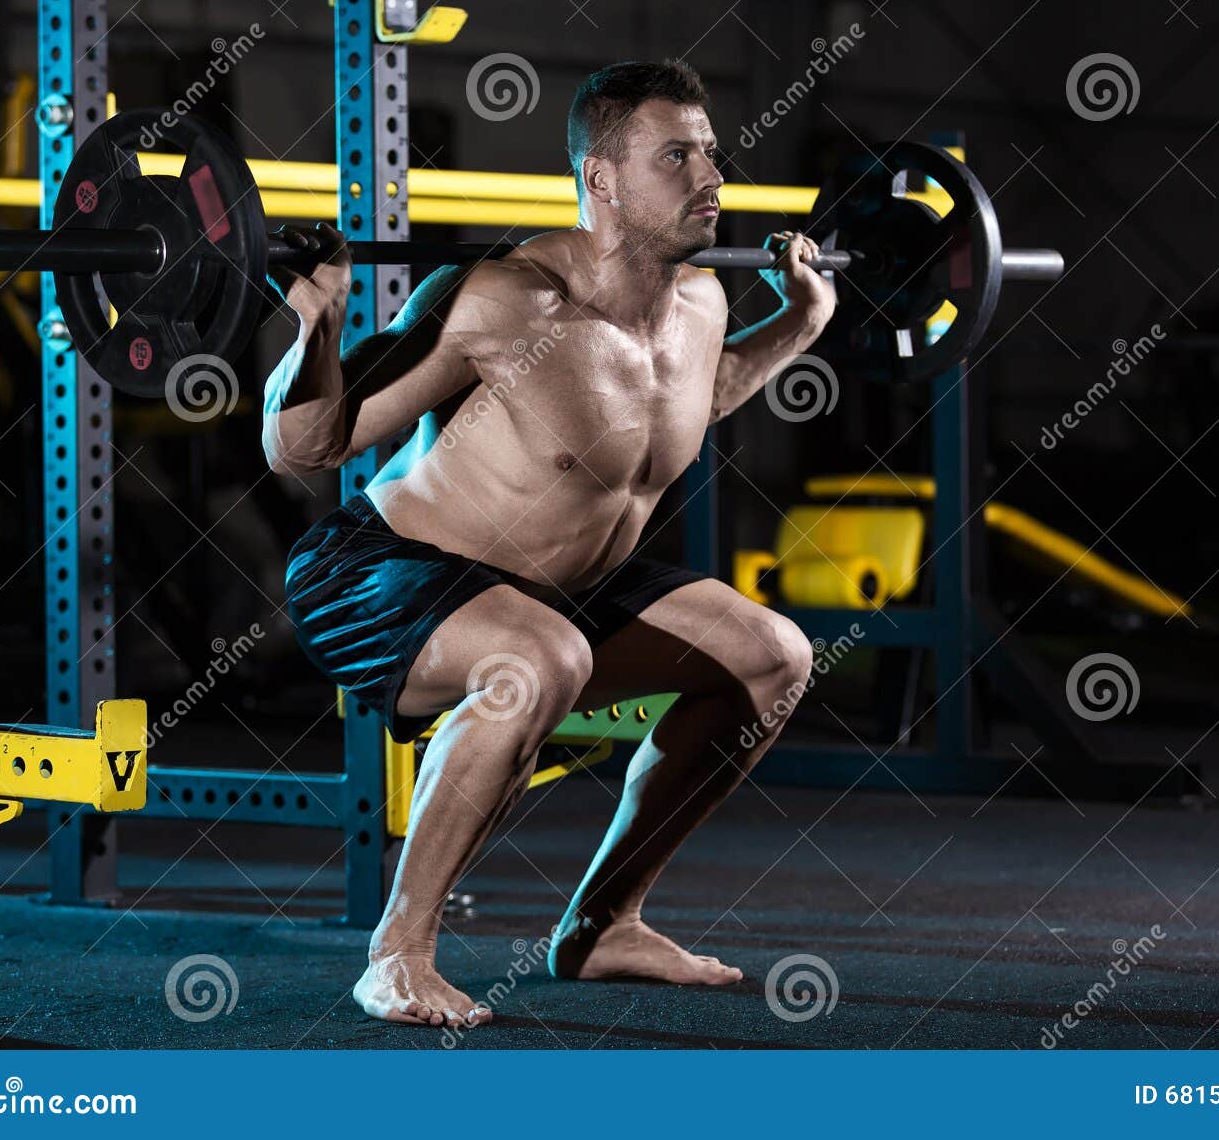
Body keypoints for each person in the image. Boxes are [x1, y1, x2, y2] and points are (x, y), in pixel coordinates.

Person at [265, 59, 836, 1028]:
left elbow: (684, 407)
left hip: (563, 591)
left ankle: (602, 924)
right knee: (538, 659)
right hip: (382, 576)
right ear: (602, 178)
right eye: (676, 156)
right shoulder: (503, 298)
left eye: (711, 152)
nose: (711, 177)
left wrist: (801, 323)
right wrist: (315, 322)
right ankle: (396, 953)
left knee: (771, 655)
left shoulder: (701, 305)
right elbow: (305, 446)